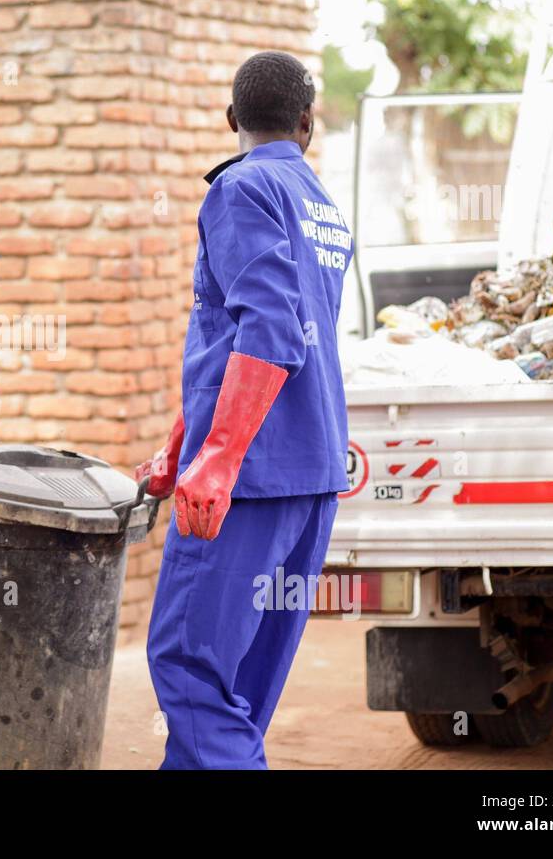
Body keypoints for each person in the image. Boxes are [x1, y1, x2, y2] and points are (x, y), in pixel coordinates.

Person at [136, 50, 352, 769]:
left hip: (248, 481)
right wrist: (182, 443)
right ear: (306, 124)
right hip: (309, 472)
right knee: (241, 692)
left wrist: (218, 458)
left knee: (190, 670)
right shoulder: (320, 205)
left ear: (231, 120)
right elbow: (241, 340)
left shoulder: (241, 190)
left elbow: (269, 330)